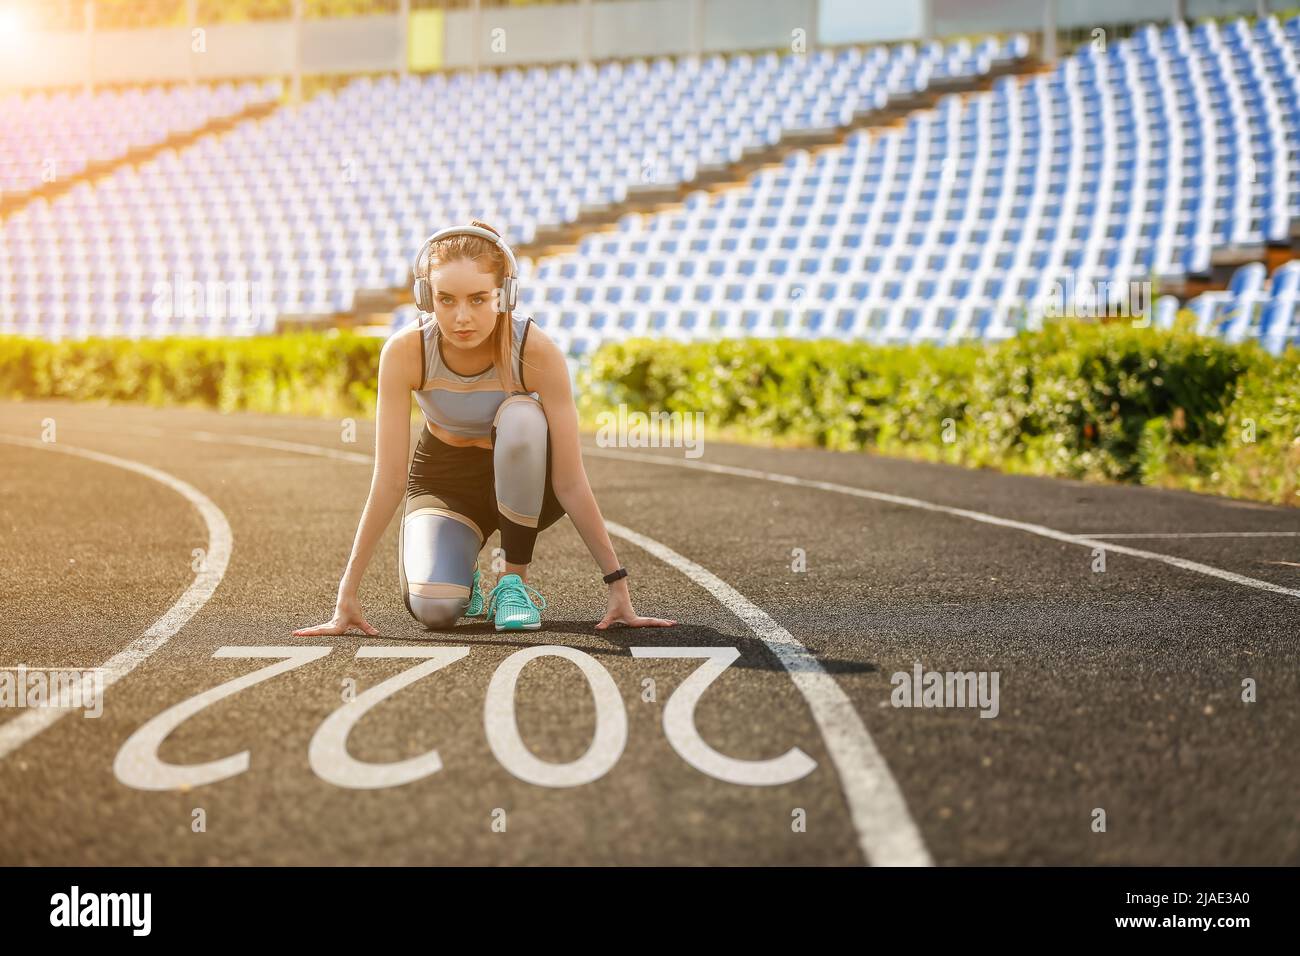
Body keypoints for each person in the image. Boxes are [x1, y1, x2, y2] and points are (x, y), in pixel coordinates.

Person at [293, 220, 676, 636]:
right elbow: (389, 479)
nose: (462, 317)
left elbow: (569, 480)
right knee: (436, 611)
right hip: (445, 480)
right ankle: (464, 568)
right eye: (446, 299)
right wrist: (346, 593)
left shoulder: (534, 350)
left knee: (522, 416)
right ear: (426, 297)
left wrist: (617, 586)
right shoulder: (405, 353)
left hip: (529, 482)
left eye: (478, 299)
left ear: (504, 296)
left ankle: (514, 583)